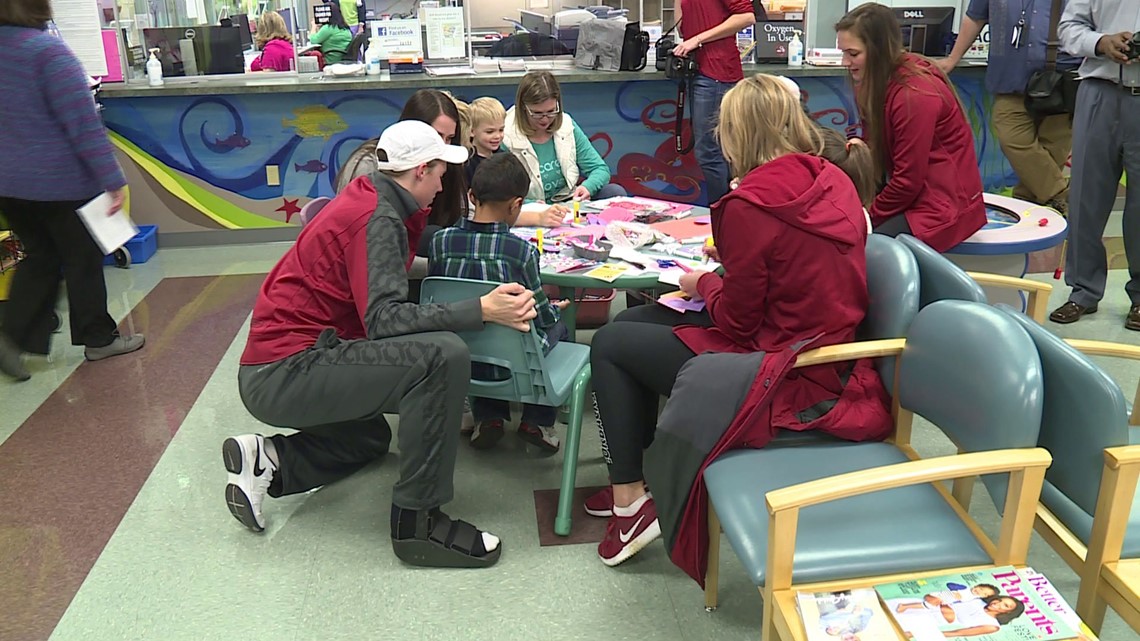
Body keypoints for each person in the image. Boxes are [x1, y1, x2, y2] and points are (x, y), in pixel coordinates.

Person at [584, 74, 891, 566]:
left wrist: (701, 283)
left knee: (610, 345)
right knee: (634, 322)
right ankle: (639, 483)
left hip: (781, 367)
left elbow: (737, 323)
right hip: (823, 345)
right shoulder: (829, 177)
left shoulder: (748, 205)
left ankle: (629, 504)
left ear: (733, 134)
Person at [224, 120, 538, 569]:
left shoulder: (369, 196)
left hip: (278, 364)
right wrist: (480, 309)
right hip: (286, 371)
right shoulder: (379, 218)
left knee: (370, 437)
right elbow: (385, 319)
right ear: (420, 172)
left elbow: (378, 279)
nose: (443, 183)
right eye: (440, 173)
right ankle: (418, 525)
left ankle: (271, 459)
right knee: (442, 356)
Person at [0, 0, 145, 382]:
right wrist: (112, 179)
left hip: (9, 185)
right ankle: (99, 338)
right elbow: (82, 124)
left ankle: (10, 336)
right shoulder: (47, 52)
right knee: (82, 258)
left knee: (41, 258)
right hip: (60, 182)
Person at [428, 153, 568, 453]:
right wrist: (555, 310)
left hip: (460, 356)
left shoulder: (440, 242)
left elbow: (440, 294)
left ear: (471, 195)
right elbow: (540, 315)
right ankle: (538, 421)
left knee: (482, 335)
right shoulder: (521, 252)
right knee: (559, 328)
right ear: (517, 204)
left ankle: (488, 418)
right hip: (513, 362)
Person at [835, 3, 987, 252]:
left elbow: (907, 182)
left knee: (856, 246)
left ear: (879, 50)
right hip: (917, 195)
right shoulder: (880, 79)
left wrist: (866, 217)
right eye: (843, 53)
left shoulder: (914, 94)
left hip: (940, 206)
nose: (845, 62)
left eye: (853, 54)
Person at [1048, 0, 1139, 328]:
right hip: (1099, 91)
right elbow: (1068, 29)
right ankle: (1082, 291)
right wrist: (1101, 42)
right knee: (1086, 196)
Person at [937, 0, 1077, 214]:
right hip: (1009, 81)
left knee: (1051, 152)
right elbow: (975, 18)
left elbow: (1086, 23)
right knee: (1012, 139)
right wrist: (952, 59)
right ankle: (1063, 195)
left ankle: (1029, 216)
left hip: (1060, 83)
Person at [502, 71, 627, 215]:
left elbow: (600, 169)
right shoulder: (505, 135)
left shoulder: (566, 125)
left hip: (569, 203)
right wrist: (531, 204)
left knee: (614, 191)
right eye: (537, 113)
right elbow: (500, 192)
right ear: (523, 108)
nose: (545, 119)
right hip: (532, 209)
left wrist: (587, 187)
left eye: (551, 111)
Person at [673, 0, 757, 205]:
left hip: (718, 72)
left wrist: (698, 39)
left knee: (712, 152)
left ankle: (722, 212)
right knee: (714, 151)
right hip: (701, 70)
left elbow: (747, 17)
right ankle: (727, 210)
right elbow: (683, 28)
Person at [465, 97, 510, 185]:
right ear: (471, 131)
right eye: (490, 132)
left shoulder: (505, 158)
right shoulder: (467, 163)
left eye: (501, 130)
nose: (497, 136)